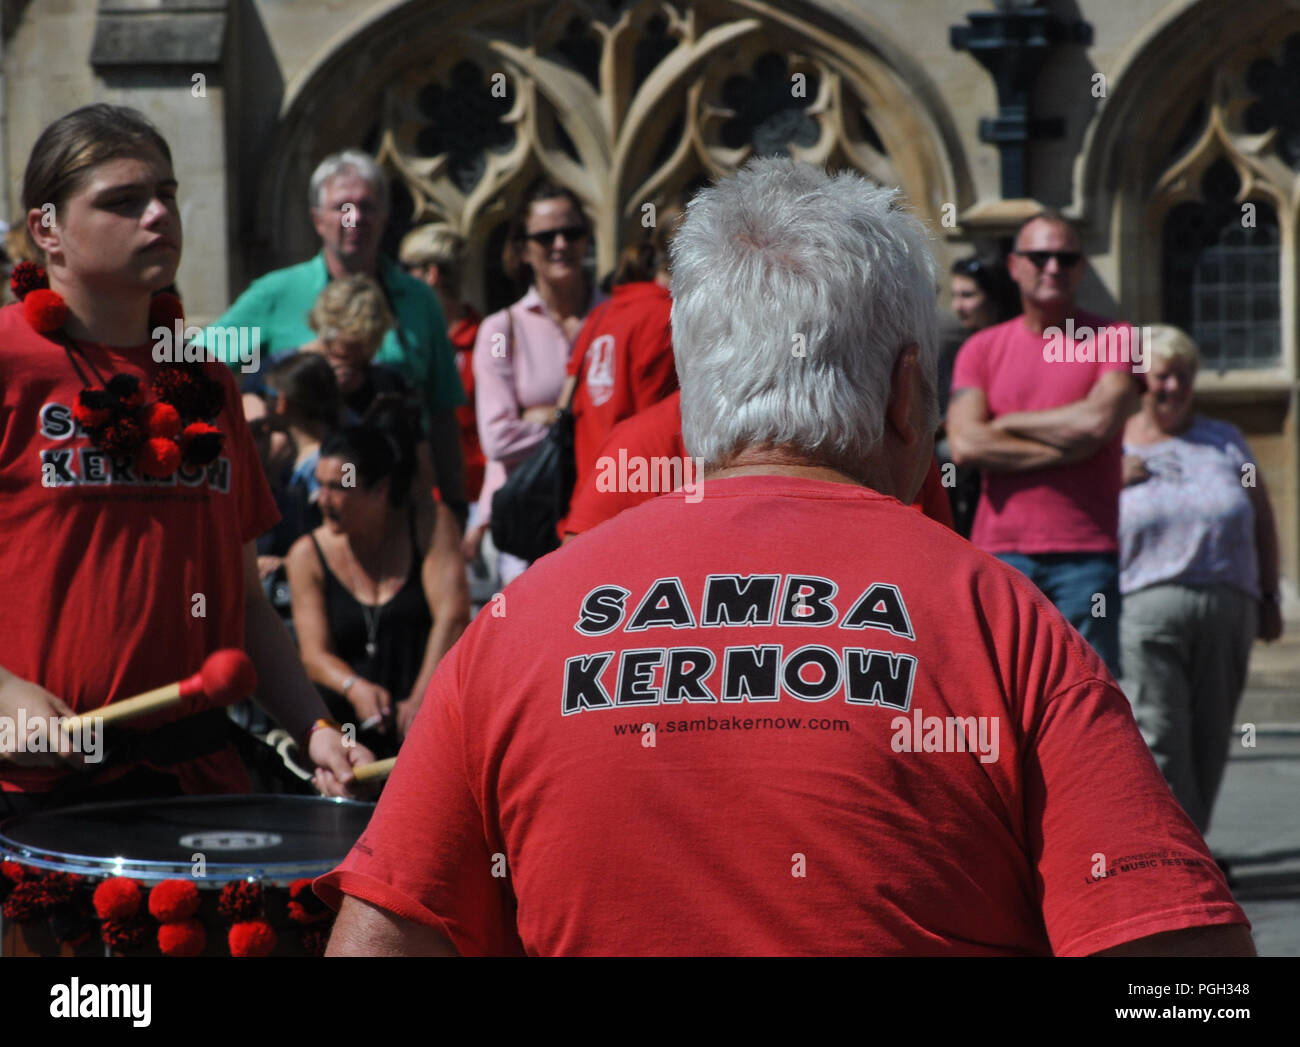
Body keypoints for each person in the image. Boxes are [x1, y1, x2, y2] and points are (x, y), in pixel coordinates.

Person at [318, 159, 1250, 957]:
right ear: (905, 395)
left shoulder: (514, 633)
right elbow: (1183, 965)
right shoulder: (1003, 624)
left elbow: (383, 937)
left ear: (696, 392)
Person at [0, 104, 370, 812]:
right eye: (122, 201)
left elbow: (247, 605)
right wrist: (5, 692)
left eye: (166, 194)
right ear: (46, 228)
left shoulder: (209, 380)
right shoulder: (8, 361)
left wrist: (315, 727)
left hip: (196, 783)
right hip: (38, 792)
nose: (157, 215)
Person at [199, 150, 468, 525]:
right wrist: (260, 400)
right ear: (317, 219)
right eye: (342, 207)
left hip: (395, 510)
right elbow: (197, 367)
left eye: (366, 206)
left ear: (385, 217)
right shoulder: (277, 293)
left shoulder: (420, 299)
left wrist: (456, 506)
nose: (354, 218)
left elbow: (441, 415)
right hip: (301, 512)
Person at [947, 213, 1142, 677]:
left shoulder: (1117, 338)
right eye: (1040, 257)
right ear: (1015, 266)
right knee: (999, 692)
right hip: (1000, 553)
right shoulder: (981, 349)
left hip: (1086, 554)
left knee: (1087, 696)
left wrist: (1009, 422)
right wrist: (1066, 449)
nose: (1053, 267)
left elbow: (1096, 424)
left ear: (1080, 266)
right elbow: (967, 445)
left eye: (1066, 257)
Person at [1119, 324, 1283, 833]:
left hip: (1228, 605)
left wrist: (1270, 594)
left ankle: (1193, 849)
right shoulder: (1114, 446)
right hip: (1146, 606)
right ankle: (1182, 859)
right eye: (1162, 376)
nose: (1173, 387)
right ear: (1141, 379)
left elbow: (1261, 516)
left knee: (1212, 738)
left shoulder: (1227, 441)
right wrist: (1109, 478)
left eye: (1184, 376)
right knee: (1162, 735)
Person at [285, 418, 469, 759]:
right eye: (319, 484)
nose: (321, 500)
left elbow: (453, 616)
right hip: (349, 736)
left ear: (380, 490)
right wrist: (354, 687)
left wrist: (422, 699)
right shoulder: (307, 555)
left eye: (338, 488)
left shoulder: (429, 524)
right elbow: (313, 655)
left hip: (430, 720)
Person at [467, 182, 606, 584]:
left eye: (573, 233)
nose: (561, 244)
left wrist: (547, 416)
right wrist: (579, 420)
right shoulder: (500, 329)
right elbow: (496, 439)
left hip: (604, 511)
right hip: (528, 523)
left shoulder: (615, 318)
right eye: (546, 237)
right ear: (524, 249)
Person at [564, 223, 678, 511]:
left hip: (588, 501)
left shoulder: (600, 314)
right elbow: (661, 426)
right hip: (640, 504)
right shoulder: (667, 318)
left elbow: (566, 399)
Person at [399, 224, 485, 506]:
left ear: (430, 274)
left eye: (405, 269)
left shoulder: (488, 342)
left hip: (477, 505)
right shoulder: (402, 344)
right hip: (414, 502)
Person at [253, 352, 341, 619]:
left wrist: (290, 562)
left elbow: (337, 535)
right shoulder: (293, 459)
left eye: (266, 394)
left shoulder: (320, 464)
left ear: (281, 403)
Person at [940, 254, 1021, 536]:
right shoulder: (958, 344)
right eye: (955, 295)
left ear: (994, 297)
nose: (957, 307)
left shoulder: (1016, 344)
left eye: (968, 295)